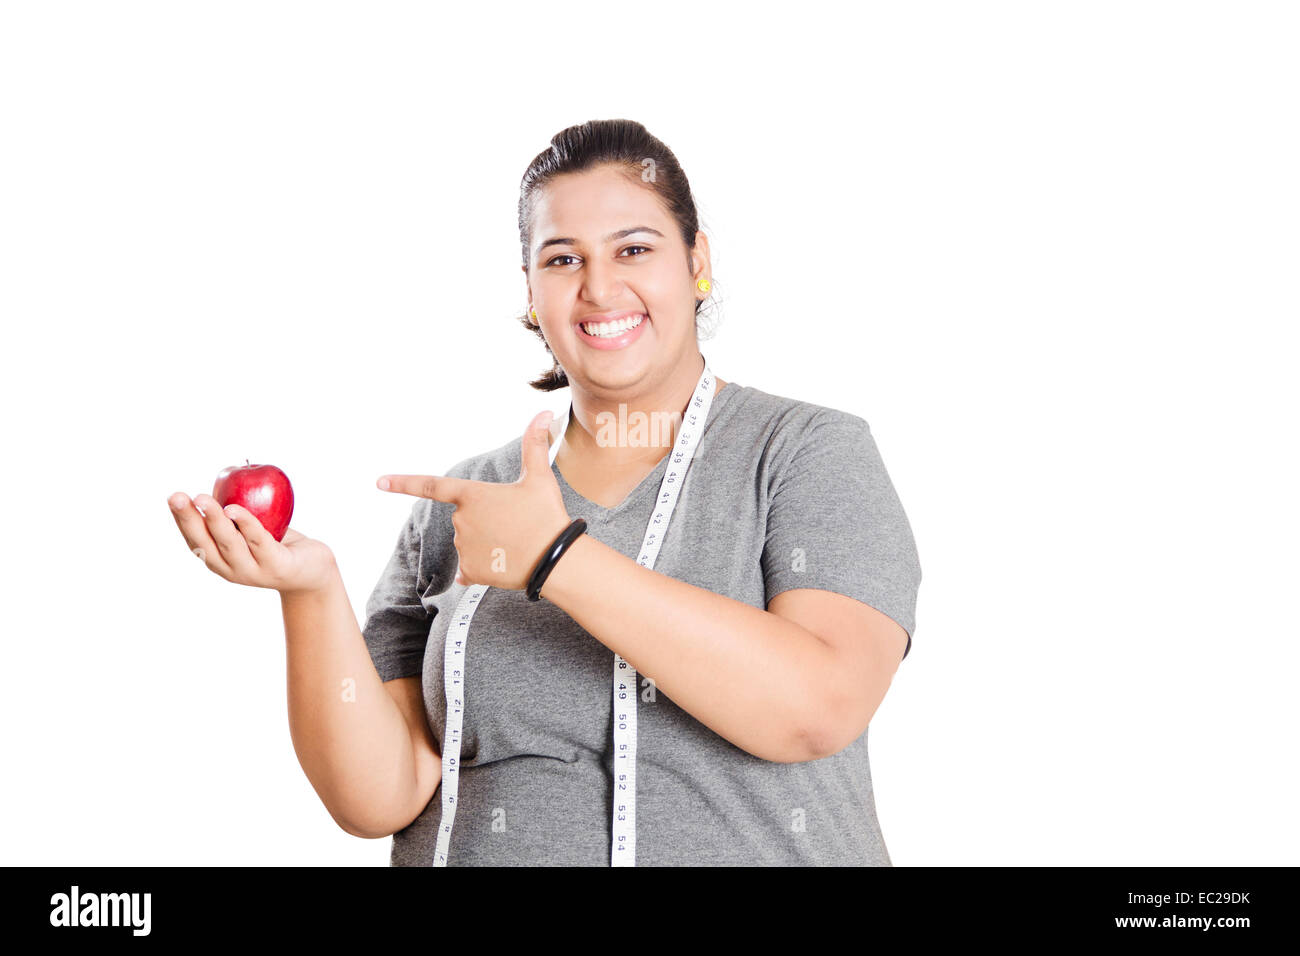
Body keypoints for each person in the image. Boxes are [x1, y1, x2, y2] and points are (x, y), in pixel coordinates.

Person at [167, 118, 922, 866]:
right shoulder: (465, 505)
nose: (598, 287)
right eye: (562, 259)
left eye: (634, 249)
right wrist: (310, 593)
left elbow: (820, 705)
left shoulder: (805, 452)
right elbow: (381, 797)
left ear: (697, 263)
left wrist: (556, 558)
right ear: (531, 293)